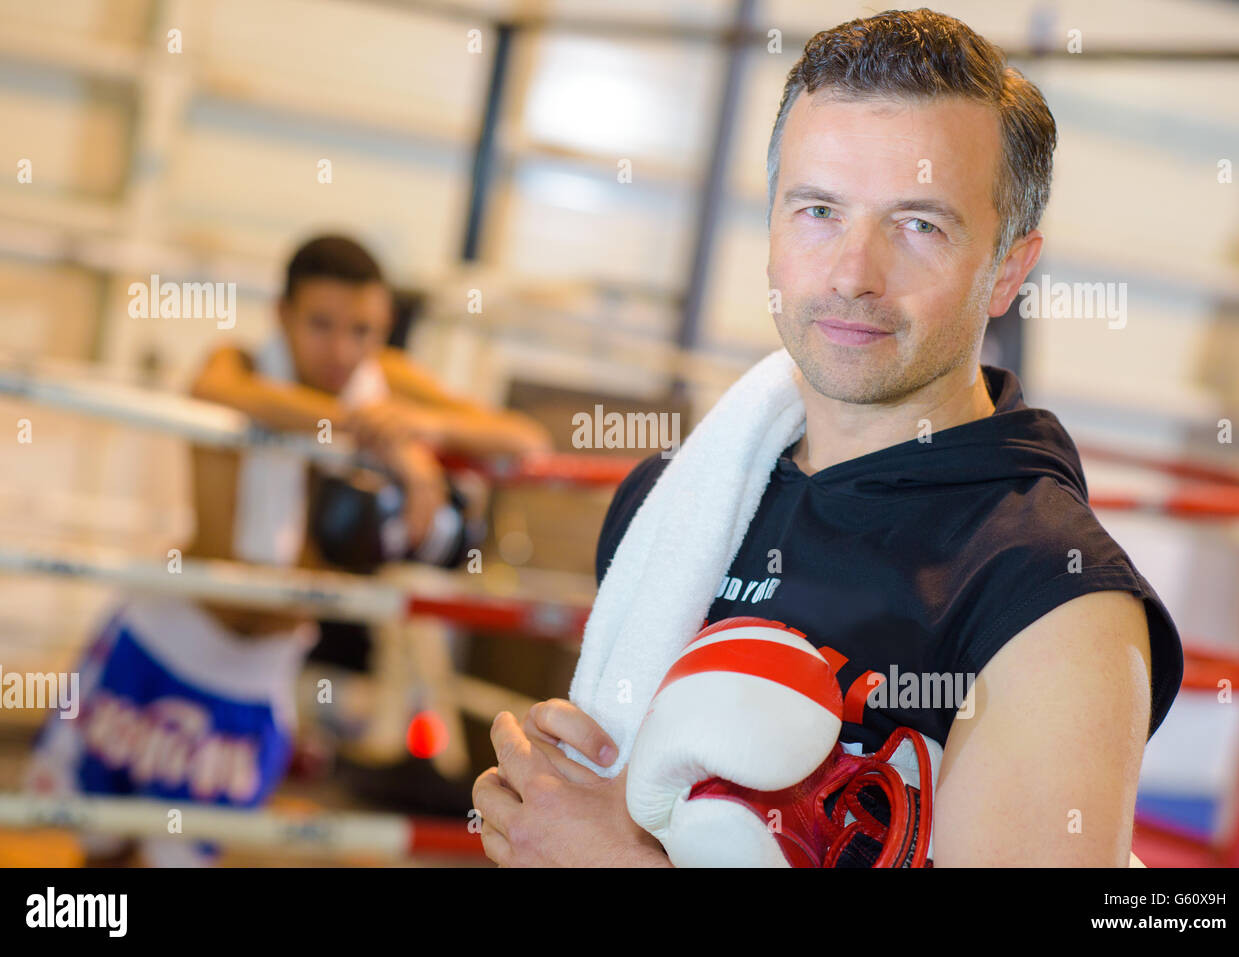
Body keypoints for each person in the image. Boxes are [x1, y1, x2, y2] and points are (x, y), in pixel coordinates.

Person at [471, 9, 1184, 867]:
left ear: (1007, 271)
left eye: (919, 224)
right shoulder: (674, 501)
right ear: (770, 228)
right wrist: (547, 808)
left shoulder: (1052, 598)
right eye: (817, 210)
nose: (853, 274)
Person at [27, 234, 550, 866]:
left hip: (255, 676)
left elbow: (524, 439)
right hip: (161, 638)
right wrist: (391, 445)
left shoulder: (385, 387)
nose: (342, 349)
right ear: (283, 315)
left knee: (182, 859)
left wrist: (427, 429)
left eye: (363, 330)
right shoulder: (240, 364)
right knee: (100, 846)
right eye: (321, 325)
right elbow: (218, 394)